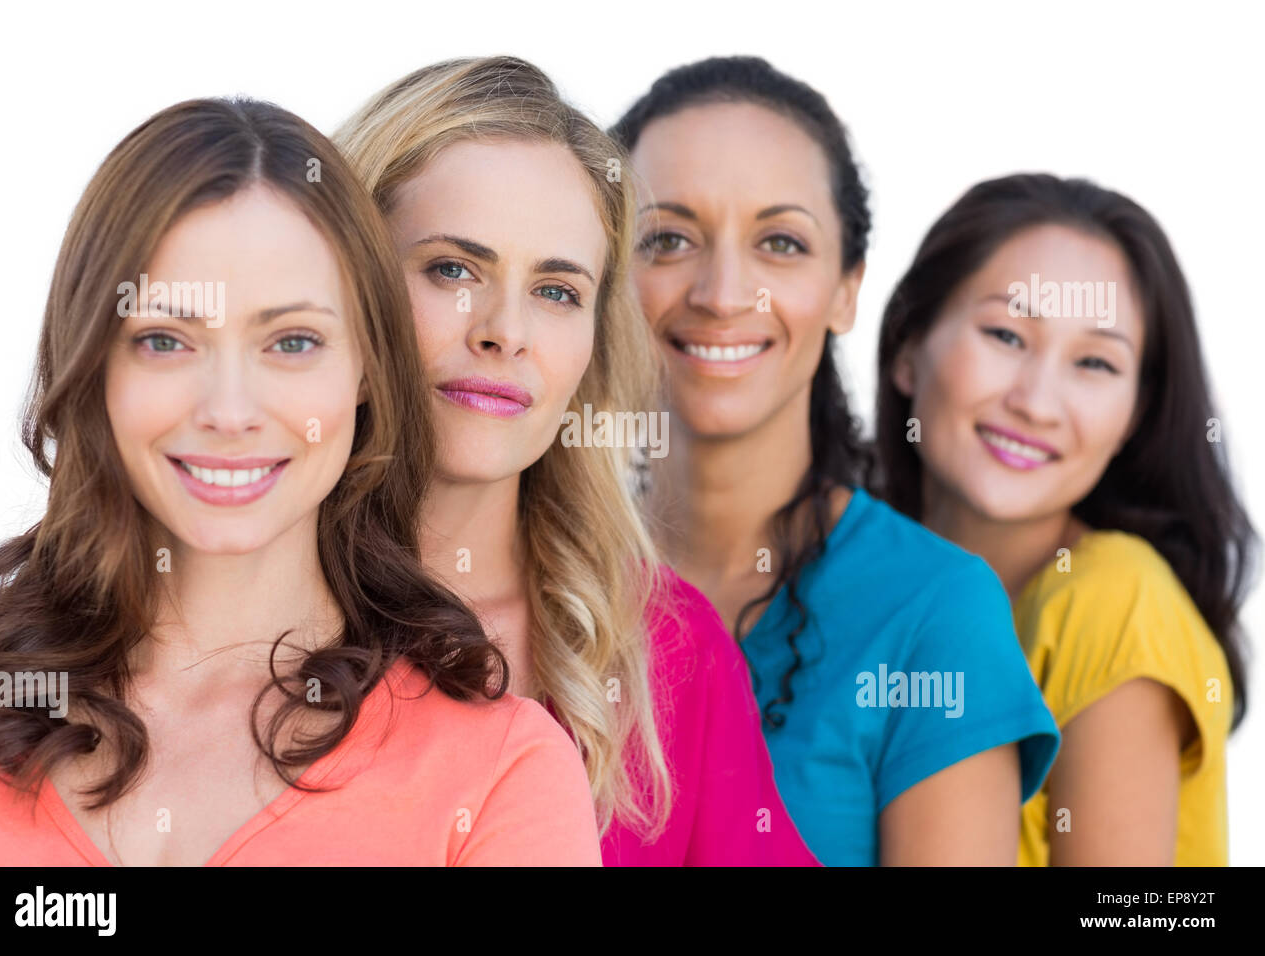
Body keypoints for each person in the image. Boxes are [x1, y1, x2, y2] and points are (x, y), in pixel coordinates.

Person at [0, 96, 599, 866]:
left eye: (292, 341)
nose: (230, 411)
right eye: (166, 340)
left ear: (367, 369)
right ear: (95, 363)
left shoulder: (503, 772)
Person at [336, 56, 817, 864]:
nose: (504, 331)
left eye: (557, 290)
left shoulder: (669, 646)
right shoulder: (220, 603)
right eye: (453, 269)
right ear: (345, 280)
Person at [612, 56, 1060, 865]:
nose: (721, 292)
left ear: (847, 288)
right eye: (668, 238)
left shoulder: (937, 615)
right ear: (609, 273)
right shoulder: (546, 573)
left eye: (780, 242)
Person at [874, 172, 1257, 864]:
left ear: (1135, 415)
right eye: (1006, 335)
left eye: (1094, 363)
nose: (1036, 401)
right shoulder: (854, 576)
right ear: (908, 344)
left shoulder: (1112, 601)